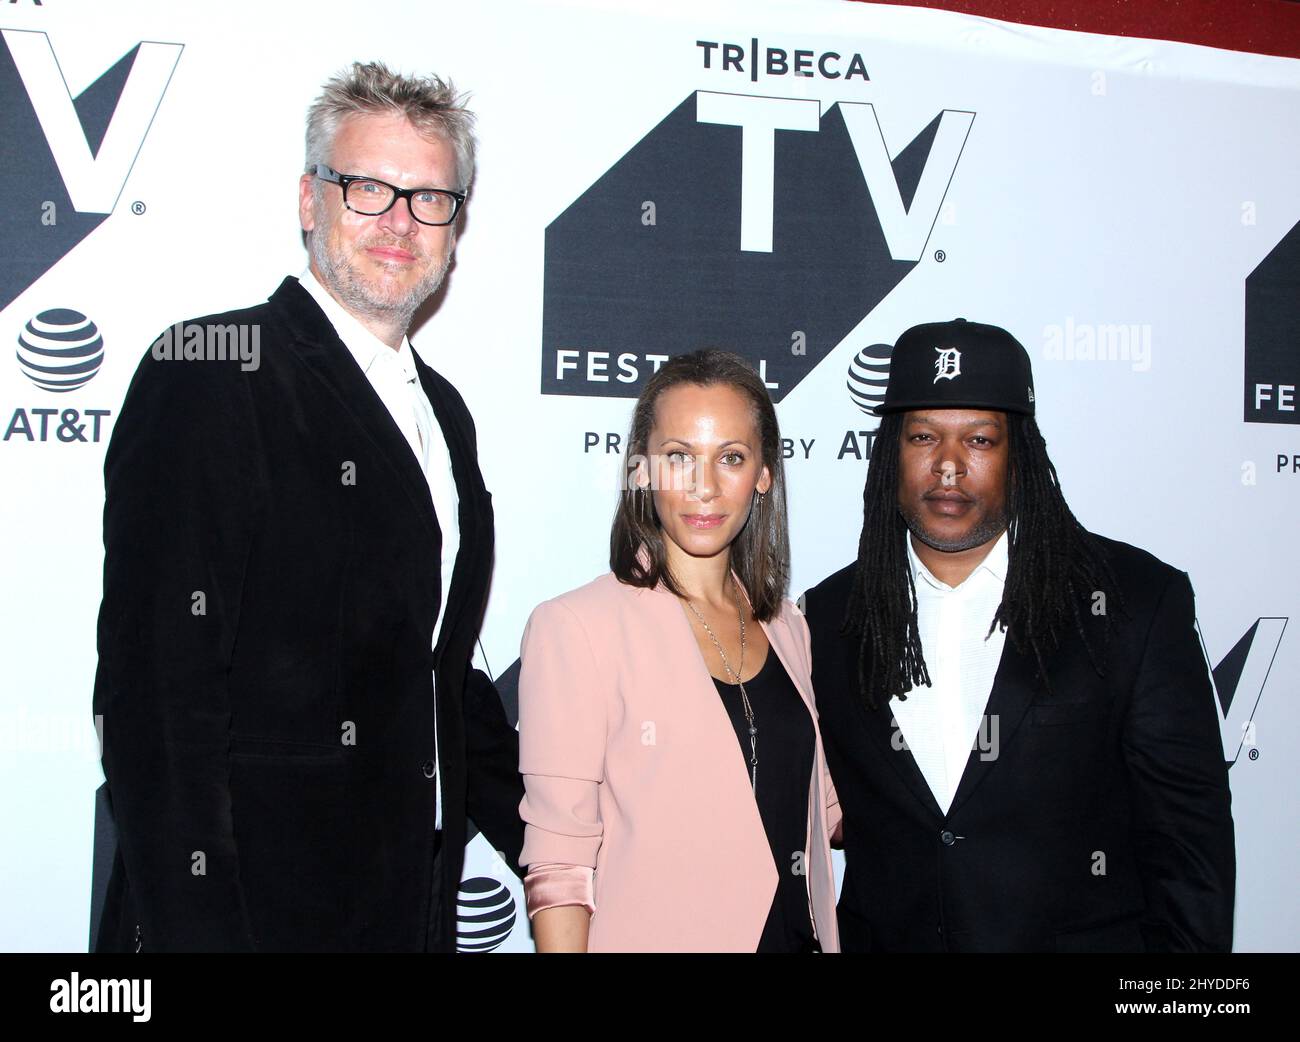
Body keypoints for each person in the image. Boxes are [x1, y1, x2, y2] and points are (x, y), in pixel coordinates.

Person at [92, 62, 524, 952]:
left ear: (458, 221)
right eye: (368, 188)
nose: (400, 221)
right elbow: (157, 705)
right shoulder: (214, 370)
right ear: (307, 199)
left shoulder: (444, 413)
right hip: (251, 916)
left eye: (430, 196)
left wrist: (571, 856)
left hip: (401, 910)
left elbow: (436, 674)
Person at [803, 318, 1235, 952]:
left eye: (979, 439)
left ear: (1020, 454)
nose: (948, 466)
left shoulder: (1133, 603)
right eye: (923, 436)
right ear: (891, 449)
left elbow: (1190, 850)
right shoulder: (826, 618)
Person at [516, 350, 840, 952]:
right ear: (641, 470)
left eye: (732, 458)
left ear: (764, 474)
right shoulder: (576, 628)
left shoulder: (789, 627)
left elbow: (822, 809)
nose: (705, 487)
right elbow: (560, 862)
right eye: (679, 458)